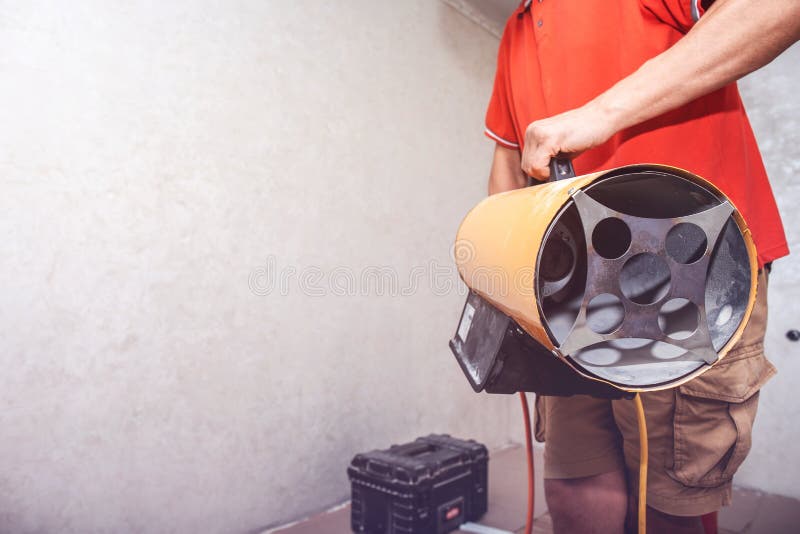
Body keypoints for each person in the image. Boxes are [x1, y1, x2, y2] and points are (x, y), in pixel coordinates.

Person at [483, 1, 800, 533]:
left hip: (690, 277)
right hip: (570, 297)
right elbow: (505, 171)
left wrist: (599, 115)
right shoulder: (514, 32)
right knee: (574, 486)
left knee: (671, 502)